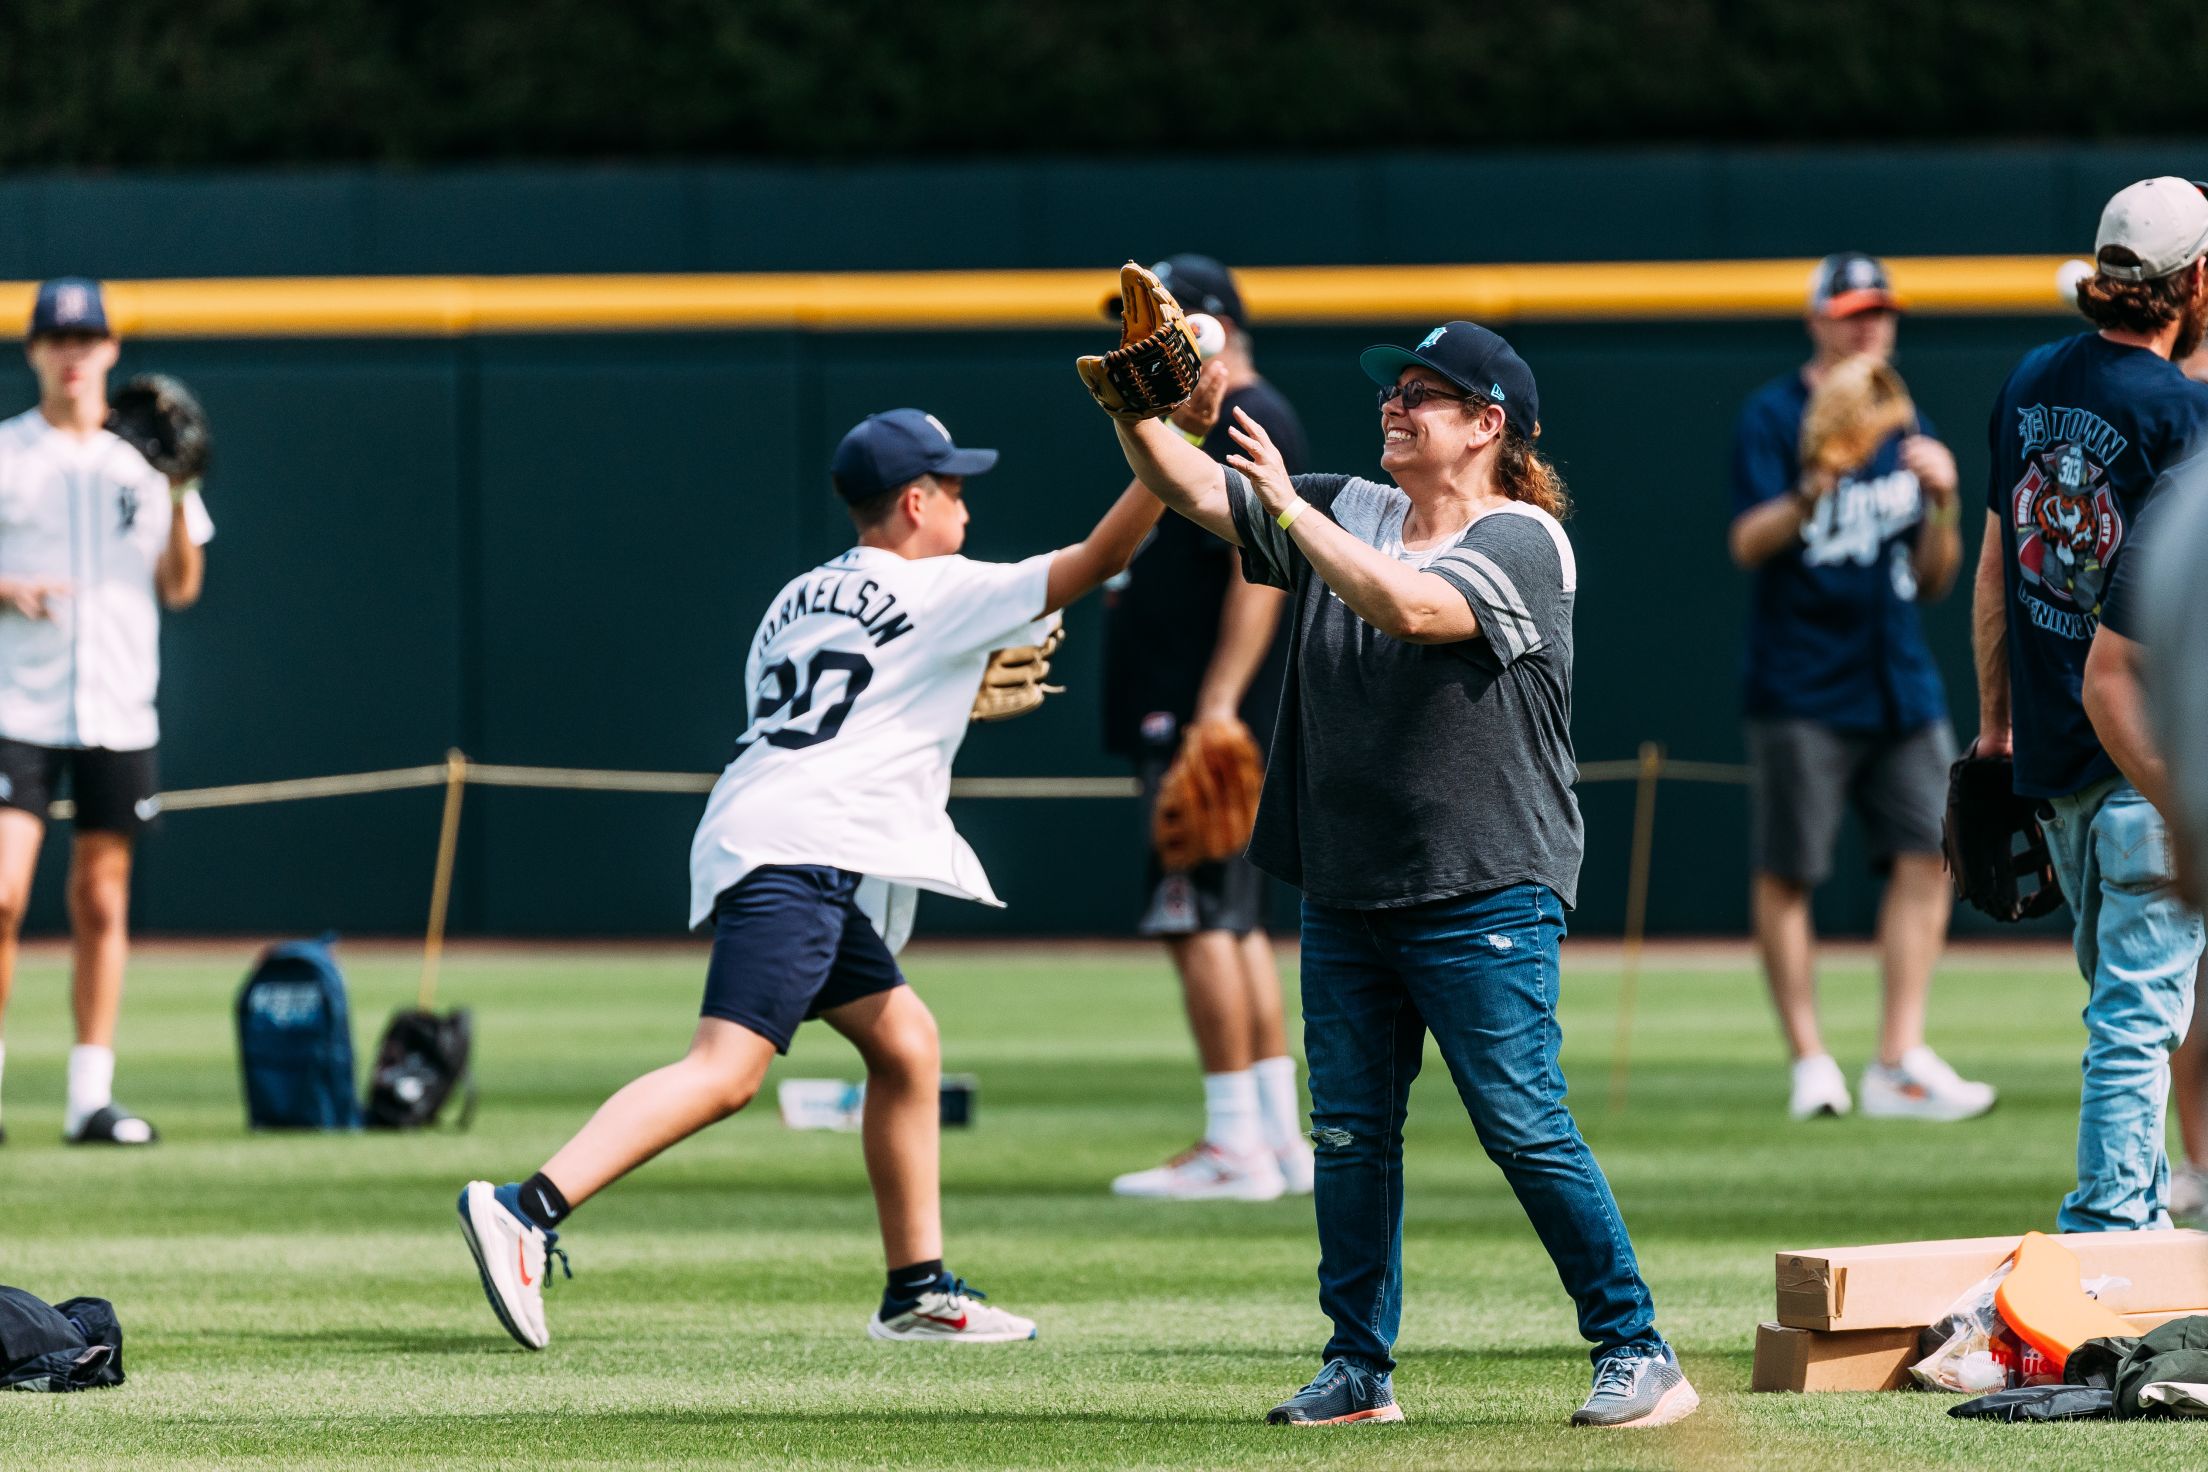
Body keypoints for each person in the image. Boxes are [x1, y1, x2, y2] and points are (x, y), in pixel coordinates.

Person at [457, 404, 1175, 1350]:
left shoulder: (796, 596)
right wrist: (1175, 441)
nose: (965, 502)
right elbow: (1098, 554)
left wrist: (945, 694)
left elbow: (848, 708)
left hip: (771, 828)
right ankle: (527, 1206)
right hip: (800, 848)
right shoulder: (942, 588)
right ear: (915, 502)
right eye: (954, 486)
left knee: (907, 1046)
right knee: (726, 1072)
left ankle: (914, 1291)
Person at [1104, 322, 1696, 1428]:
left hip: (1484, 881)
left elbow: (1412, 608)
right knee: (1350, 1132)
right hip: (1349, 879)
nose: (1397, 404)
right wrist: (1136, 412)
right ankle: (1358, 1366)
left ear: (1490, 425)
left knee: (1521, 1121)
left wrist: (1290, 509)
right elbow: (1187, 487)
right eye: (1394, 389)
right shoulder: (1354, 506)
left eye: (1428, 394)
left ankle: (1639, 1344)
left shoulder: (1526, 538)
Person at [1974, 177, 2208, 1231]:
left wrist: (1994, 731)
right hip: (2146, 754)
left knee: (2124, 1009)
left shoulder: (2032, 378)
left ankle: (2133, 1215)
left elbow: (1994, 569)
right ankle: (2110, 1226)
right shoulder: (2184, 415)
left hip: (2059, 758)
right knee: (2137, 1016)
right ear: (2195, 279)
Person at [1726, 252, 1991, 1123]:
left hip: (1897, 674)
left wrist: (1946, 502)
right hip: (1800, 675)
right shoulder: (1775, 414)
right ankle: (1811, 1060)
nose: (1870, 326)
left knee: (1932, 851)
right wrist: (1816, 483)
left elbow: (1939, 574)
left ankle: (1897, 1056)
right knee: (1791, 869)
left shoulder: (1904, 416)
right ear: (1817, 320)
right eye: (1852, 312)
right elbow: (1748, 543)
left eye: (1880, 312)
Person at [1097, 255, 1314, 1202]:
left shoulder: (1233, 411)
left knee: (1199, 922)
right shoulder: (1228, 412)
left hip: (1203, 712)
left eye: (1151, 325)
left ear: (1205, 326)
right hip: (1209, 707)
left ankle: (1236, 1142)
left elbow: (1255, 573)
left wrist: (1218, 705)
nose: (1130, 340)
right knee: (1236, 926)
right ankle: (1274, 1136)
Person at [0, 278, 212, 1147]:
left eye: (88, 336)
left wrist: (173, 490)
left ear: (112, 349)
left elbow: (182, 585)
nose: (74, 350)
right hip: (15, 698)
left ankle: (91, 1095)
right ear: (35, 352)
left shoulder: (144, 459)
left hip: (118, 703)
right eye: (59, 337)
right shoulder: (8, 451)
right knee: (2, 895)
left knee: (100, 895)